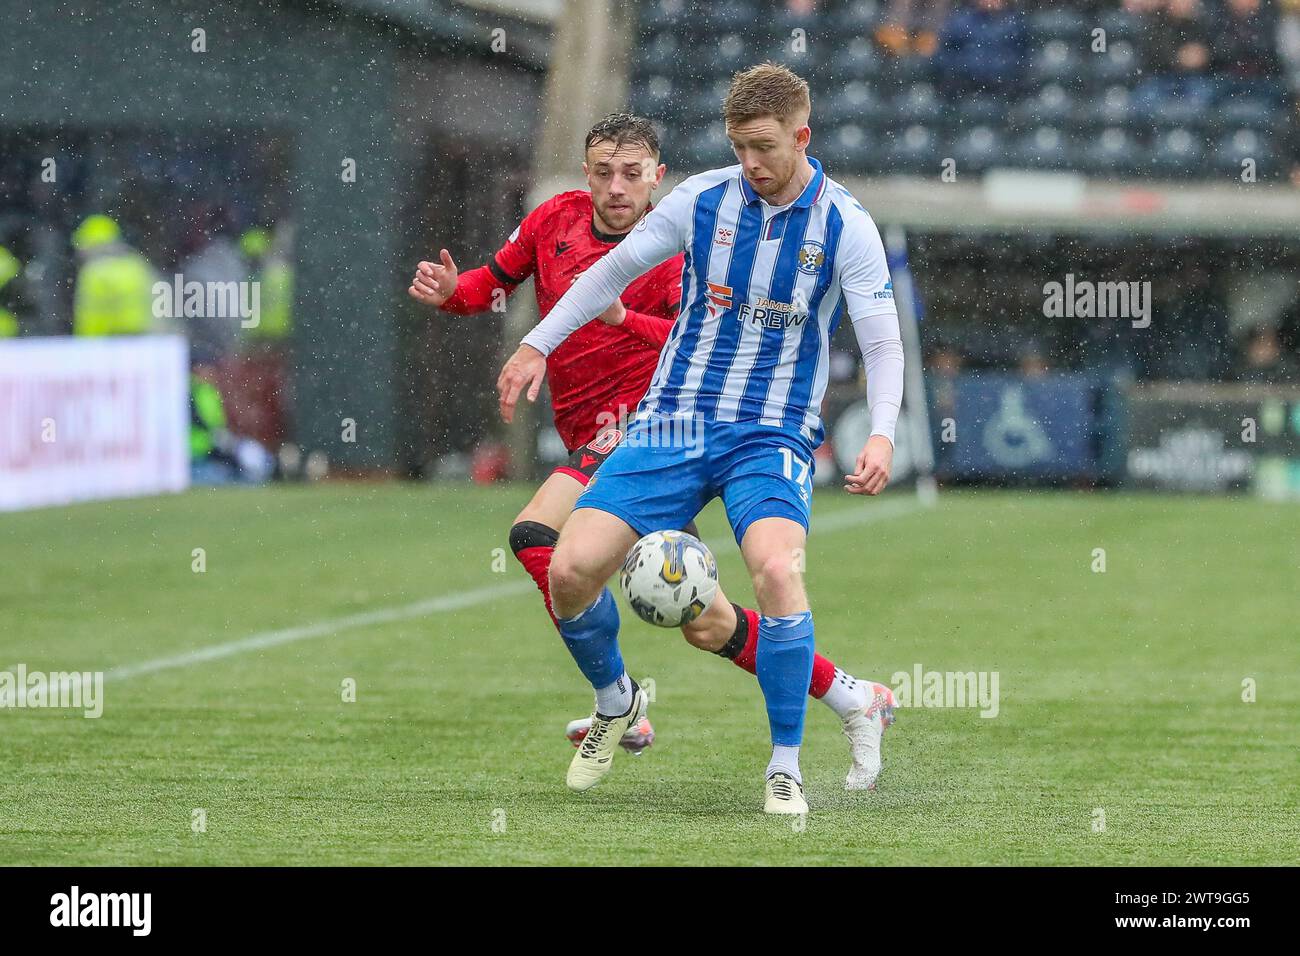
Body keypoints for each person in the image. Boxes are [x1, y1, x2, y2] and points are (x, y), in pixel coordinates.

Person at [413, 112, 896, 793]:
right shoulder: (553, 221)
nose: (616, 187)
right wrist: (455, 296)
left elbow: (695, 334)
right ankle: (850, 695)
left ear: (655, 178)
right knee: (706, 621)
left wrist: (620, 320)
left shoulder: (681, 238)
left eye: (632, 175)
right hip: (597, 431)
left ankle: (621, 701)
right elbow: (494, 280)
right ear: (586, 175)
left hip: (648, 423)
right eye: (604, 172)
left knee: (535, 534)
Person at [71, 215, 159, 337]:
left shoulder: (94, 272)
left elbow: (92, 317)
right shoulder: (136, 265)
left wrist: (85, 346)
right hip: (143, 339)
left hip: (109, 343)